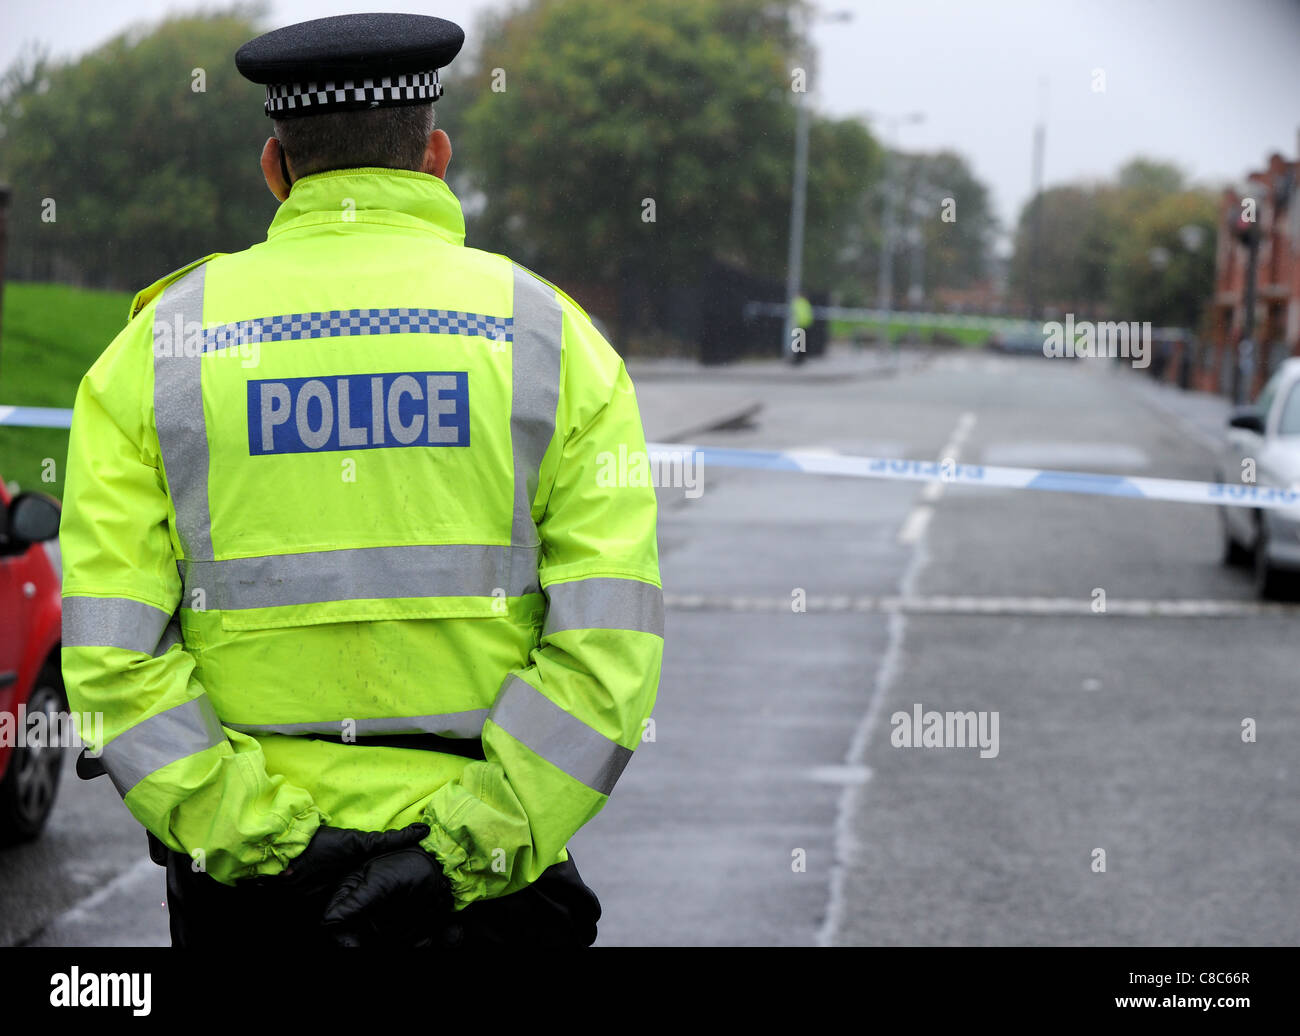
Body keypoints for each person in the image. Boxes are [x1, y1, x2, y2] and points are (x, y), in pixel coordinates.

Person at [59, 12, 664, 948]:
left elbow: (111, 661)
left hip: (252, 904)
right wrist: (465, 851)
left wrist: (267, 846)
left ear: (276, 166)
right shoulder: (552, 341)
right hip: (487, 902)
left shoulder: (155, 353)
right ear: (436, 155)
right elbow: (608, 649)